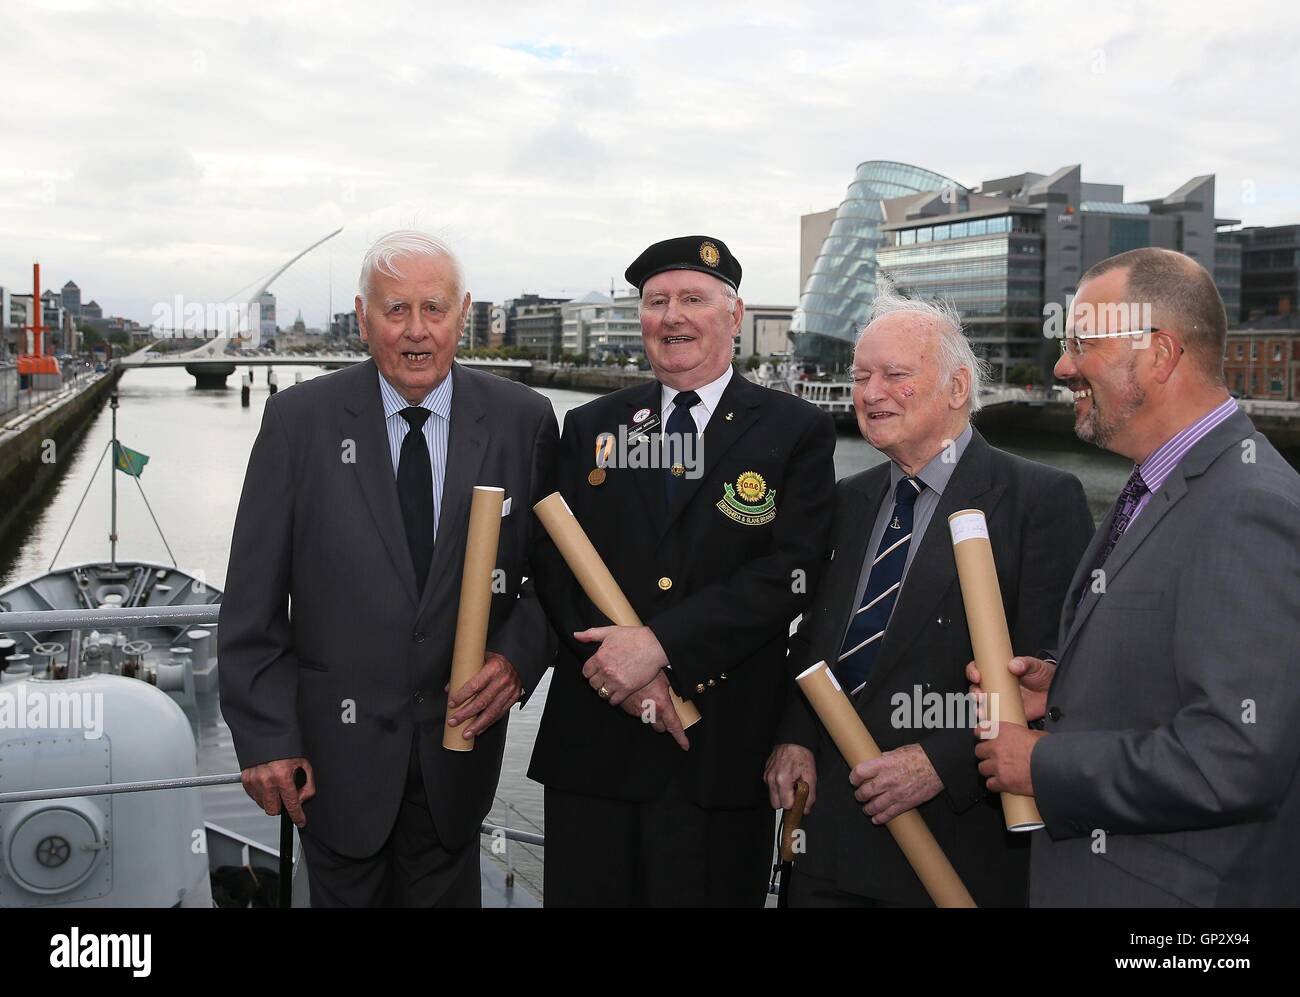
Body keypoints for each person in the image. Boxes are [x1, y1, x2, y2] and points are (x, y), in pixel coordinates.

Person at [218, 230, 558, 906]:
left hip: (459, 766)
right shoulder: (297, 422)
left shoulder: (525, 420)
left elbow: (553, 579)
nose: (416, 331)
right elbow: (252, 602)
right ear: (363, 315)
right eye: (395, 310)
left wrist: (516, 660)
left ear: (463, 314)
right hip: (331, 770)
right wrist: (265, 738)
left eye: (433, 309)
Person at [971, 247, 1300, 906]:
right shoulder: (1161, 483)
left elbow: (1236, 756)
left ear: (1159, 354)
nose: (1062, 366)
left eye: (1080, 343)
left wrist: (1042, 762)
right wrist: (1067, 686)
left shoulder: (1250, 505)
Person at [528, 235, 837, 906]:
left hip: (719, 750)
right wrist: (622, 675)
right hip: (595, 746)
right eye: (656, 301)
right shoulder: (590, 426)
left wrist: (662, 647)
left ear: (734, 313)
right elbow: (552, 562)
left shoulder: (794, 430)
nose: (672, 316)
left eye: (692, 299)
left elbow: (792, 570)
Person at [766, 284, 1093, 907]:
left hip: (949, 846)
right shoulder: (847, 501)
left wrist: (942, 763)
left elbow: (1058, 678)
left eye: (895, 374)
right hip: (825, 837)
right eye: (861, 375)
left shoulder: (1041, 502)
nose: (870, 392)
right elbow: (812, 638)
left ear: (958, 387)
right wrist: (796, 736)